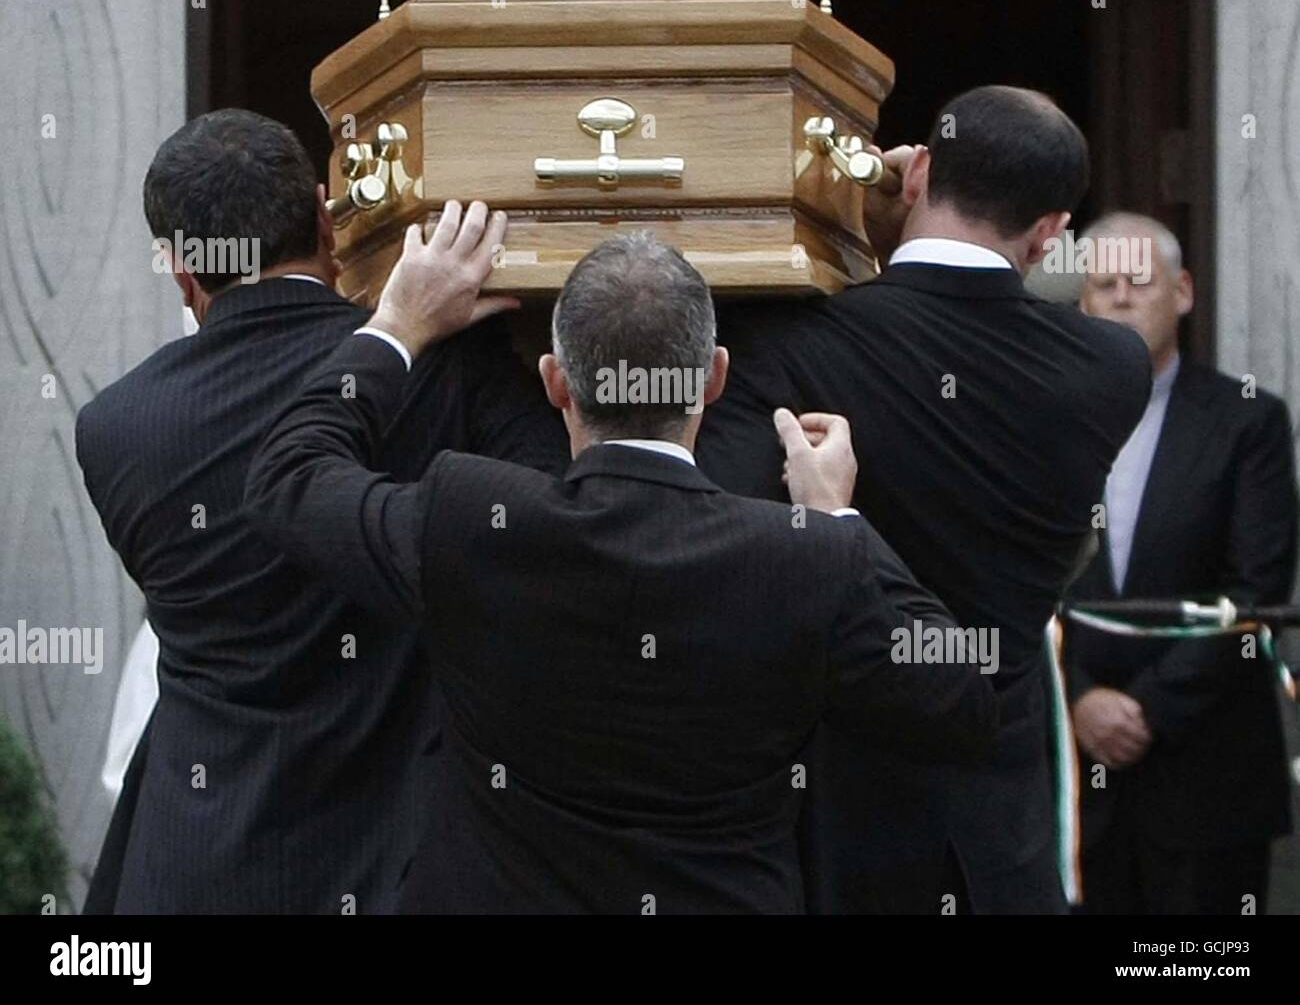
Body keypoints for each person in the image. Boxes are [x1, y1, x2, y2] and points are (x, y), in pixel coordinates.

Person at [244, 226, 998, 914]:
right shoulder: (807, 557)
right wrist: (838, 515)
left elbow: (289, 478)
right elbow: (964, 693)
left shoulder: (470, 519)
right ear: (714, 379)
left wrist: (397, 327)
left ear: (555, 383)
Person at [76, 109, 565, 913]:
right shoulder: (446, 368)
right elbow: (559, 505)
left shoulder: (116, 429)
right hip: (388, 862)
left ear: (182, 274)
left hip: (197, 862)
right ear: (325, 221)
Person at [695, 85, 1153, 914]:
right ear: (1051, 233)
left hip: (838, 814)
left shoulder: (786, 347)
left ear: (920, 172)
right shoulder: (1112, 367)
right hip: (999, 821)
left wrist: (863, 231)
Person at [1068, 212, 1297, 914]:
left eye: (1140, 280)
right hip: (1073, 779)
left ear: (1185, 292)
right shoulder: (1046, 419)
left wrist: (1145, 709)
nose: (1122, 296)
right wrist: (1079, 697)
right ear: (1082, 305)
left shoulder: (1247, 420)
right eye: (1104, 283)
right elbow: (1011, 581)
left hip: (1207, 774)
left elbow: (1255, 592)